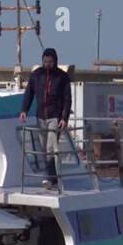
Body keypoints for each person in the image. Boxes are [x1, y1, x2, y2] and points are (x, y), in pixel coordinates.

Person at [19, 48, 72, 189]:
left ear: (55, 61)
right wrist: (24, 110)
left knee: (49, 148)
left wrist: (64, 118)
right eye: (45, 61)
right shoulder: (37, 75)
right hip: (41, 116)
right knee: (44, 149)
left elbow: (67, 98)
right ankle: (53, 178)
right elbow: (29, 93)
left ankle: (49, 178)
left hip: (55, 116)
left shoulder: (62, 77)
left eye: (50, 61)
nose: (47, 64)